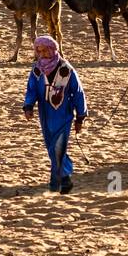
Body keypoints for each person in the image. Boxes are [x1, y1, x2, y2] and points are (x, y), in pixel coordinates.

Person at [22, 36, 87, 194]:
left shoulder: (67, 69)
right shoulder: (37, 69)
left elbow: (78, 93)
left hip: (64, 113)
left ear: (52, 49)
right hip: (45, 113)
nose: (42, 54)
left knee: (58, 147)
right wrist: (28, 106)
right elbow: (32, 89)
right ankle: (64, 175)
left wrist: (80, 116)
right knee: (52, 147)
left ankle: (61, 181)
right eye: (39, 51)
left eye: (45, 50)